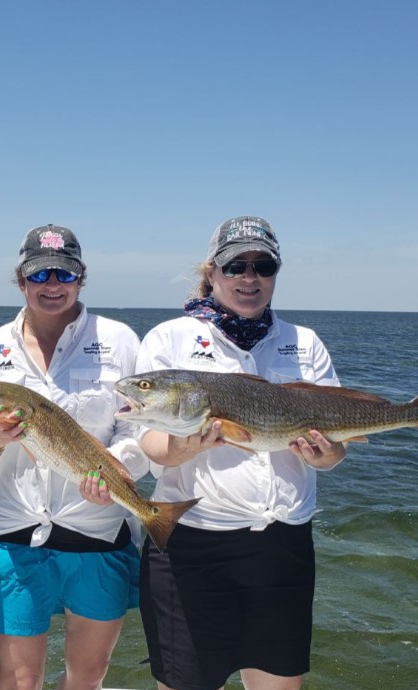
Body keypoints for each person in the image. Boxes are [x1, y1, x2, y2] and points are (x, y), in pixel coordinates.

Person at [133, 216, 347, 690]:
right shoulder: (169, 339)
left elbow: (335, 453)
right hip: (193, 547)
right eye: (235, 266)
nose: (250, 278)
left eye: (263, 266)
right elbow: (148, 444)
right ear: (211, 272)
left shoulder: (304, 343)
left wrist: (325, 456)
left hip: (283, 545)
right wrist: (180, 447)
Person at [0, 224, 149, 690]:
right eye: (39, 274)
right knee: (20, 680)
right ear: (20, 279)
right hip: (15, 532)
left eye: (64, 274)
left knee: (88, 676)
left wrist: (116, 471)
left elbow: (139, 430)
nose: (51, 285)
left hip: (98, 527)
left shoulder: (121, 342)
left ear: (81, 278)